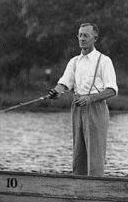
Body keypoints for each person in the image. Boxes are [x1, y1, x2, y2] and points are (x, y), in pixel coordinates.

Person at [48, 23, 118, 177]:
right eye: (80, 35)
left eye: (86, 35)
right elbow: (64, 83)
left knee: (95, 153)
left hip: (96, 108)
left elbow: (112, 90)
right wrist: (56, 91)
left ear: (95, 38)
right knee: (79, 153)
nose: (82, 38)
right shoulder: (74, 62)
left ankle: (95, 188)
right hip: (77, 107)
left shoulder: (104, 61)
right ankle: (79, 188)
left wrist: (90, 99)